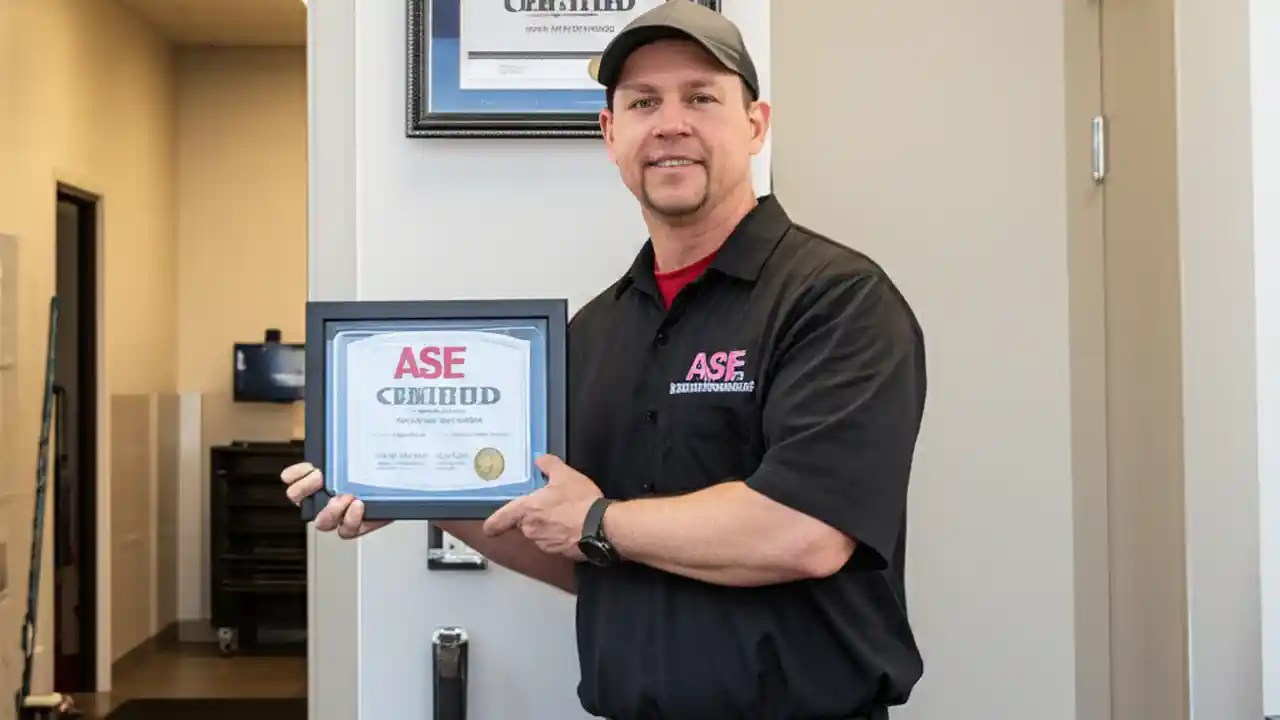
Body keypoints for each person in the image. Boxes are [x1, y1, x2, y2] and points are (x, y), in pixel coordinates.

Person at [280, 2, 927, 718]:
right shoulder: (593, 332)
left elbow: (804, 532)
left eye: (701, 98)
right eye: (643, 102)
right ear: (611, 134)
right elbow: (579, 553)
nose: (670, 124)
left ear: (755, 125)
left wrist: (597, 520)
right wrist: (416, 487)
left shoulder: (835, 300)